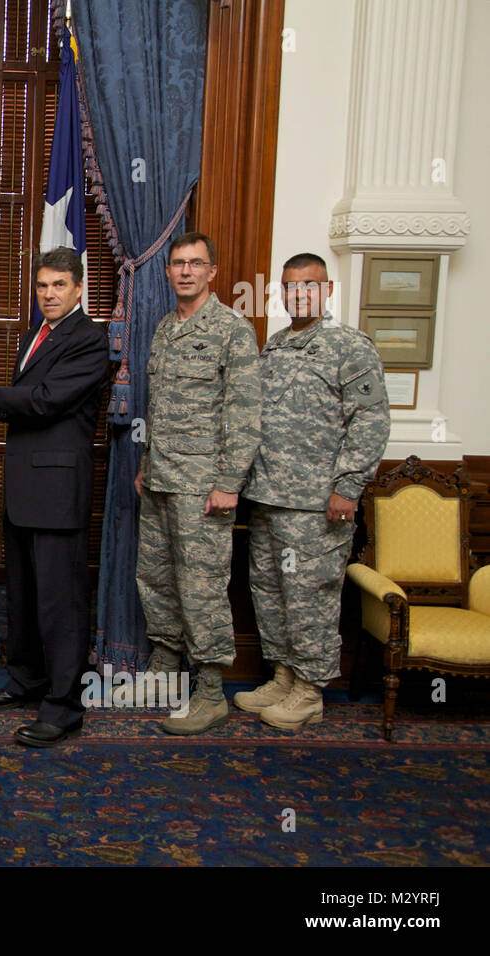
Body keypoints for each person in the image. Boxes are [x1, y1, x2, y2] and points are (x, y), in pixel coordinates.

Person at [0, 247, 110, 747]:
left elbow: (47, 402)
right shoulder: (32, 335)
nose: (49, 294)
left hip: (59, 491)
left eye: (59, 285)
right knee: (23, 595)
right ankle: (27, 680)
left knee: (60, 604)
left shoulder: (90, 339)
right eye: (42, 285)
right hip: (24, 489)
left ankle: (64, 707)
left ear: (80, 288)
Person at [235, 253, 389, 730]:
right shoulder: (276, 345)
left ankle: (310, 690)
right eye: (288, 286)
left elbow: (371, 419)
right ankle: (283, 676)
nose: (297, 294)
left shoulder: (350, 347)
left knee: (311, 596)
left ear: (327, 291)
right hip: (268, 496)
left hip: (318, 503)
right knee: (271, 590)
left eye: (308, 285)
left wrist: (347, 486)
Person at [133, 231, 261, 734]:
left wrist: (229, 483)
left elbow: (245, 413)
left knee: (202, 587)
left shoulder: (232, 329)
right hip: (163, 478)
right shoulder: (166, 328)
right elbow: (160, 408)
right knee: (157, 579)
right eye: (178, 264)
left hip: (204, 487)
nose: (186, 271)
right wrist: (147, 462)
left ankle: (210, 692)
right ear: (167, 272)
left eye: (196, 264)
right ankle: (163, 672)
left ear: (212, 271)